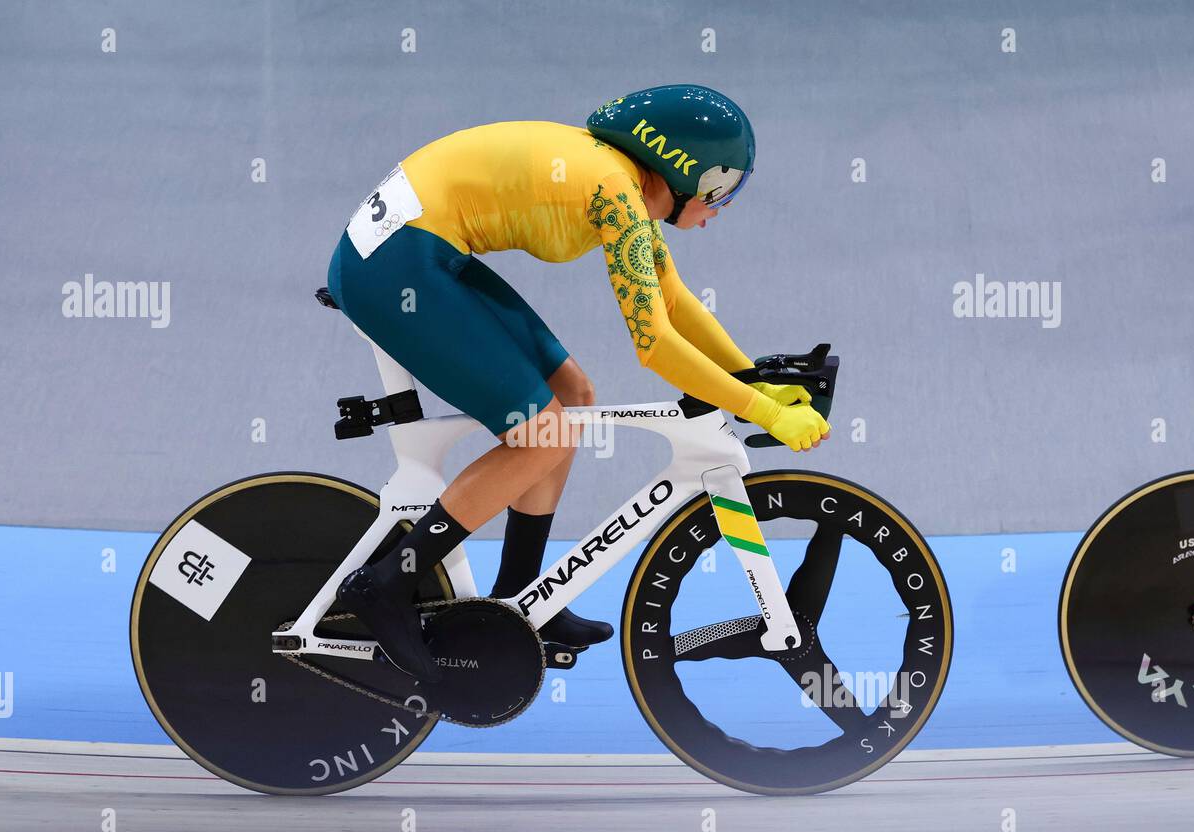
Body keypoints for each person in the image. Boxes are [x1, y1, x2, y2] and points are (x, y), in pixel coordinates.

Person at [327, 84, 830, 682]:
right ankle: (386, 585)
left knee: (572, 397)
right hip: (395, 266)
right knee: (543, 437)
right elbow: (655, 345)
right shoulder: (614, 191)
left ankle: (519, 596)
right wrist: (765, 412)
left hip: (416, 250)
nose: (720, 208)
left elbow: (671, 299)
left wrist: (752, 380)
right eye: (721, 188)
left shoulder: (622, 182)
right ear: (679, 168)